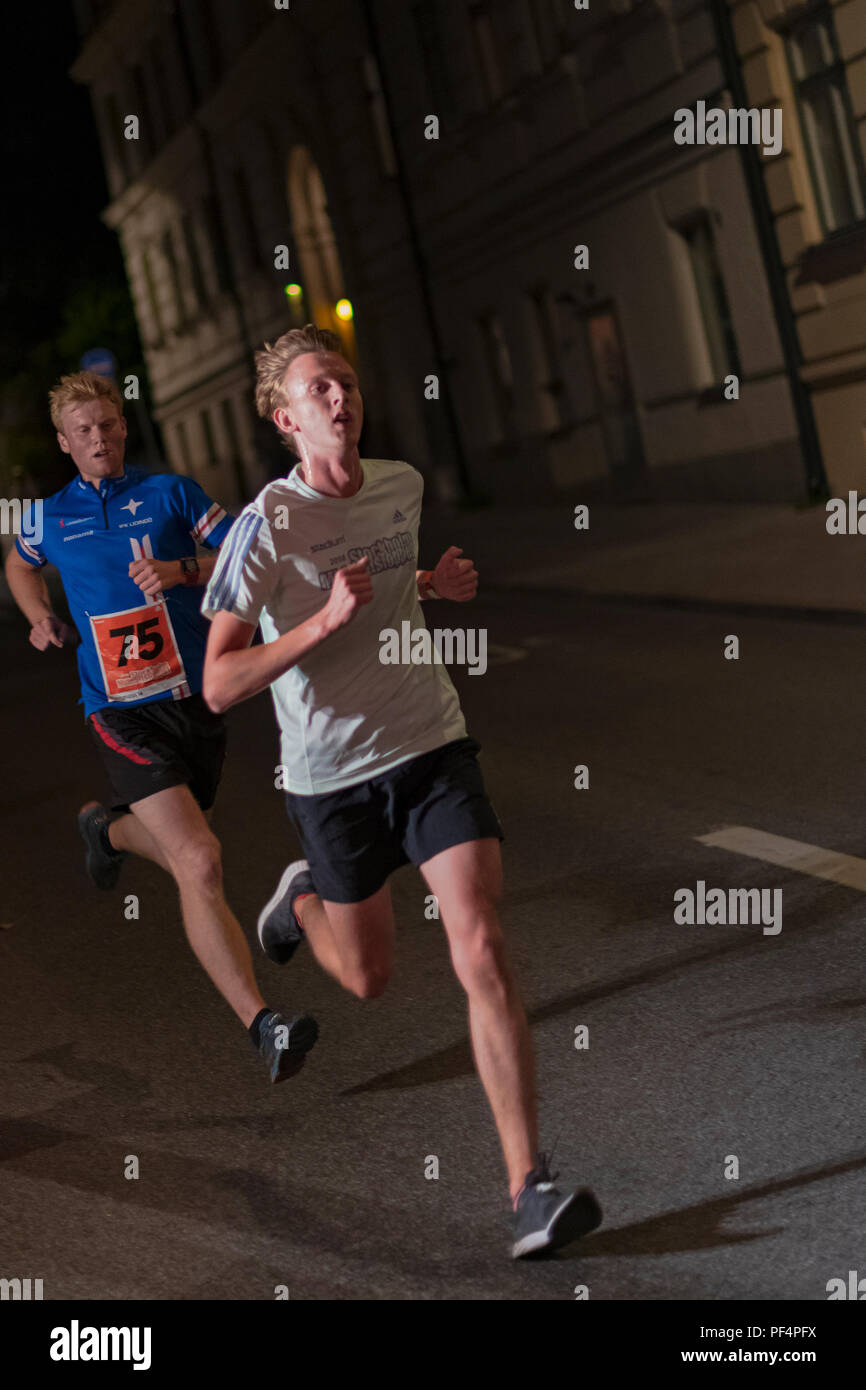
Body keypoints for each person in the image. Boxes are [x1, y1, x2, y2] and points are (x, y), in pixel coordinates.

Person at [201, 325, 602, 1257]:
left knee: (483, 946)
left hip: (430, 747)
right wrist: (321, 624)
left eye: (345, 380)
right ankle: (300, 902)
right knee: (373, 979)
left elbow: (382, 582)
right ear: (284, 418)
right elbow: (217, 682)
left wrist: (431, 583)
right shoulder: (264, 526)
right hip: (331, 781)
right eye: (318, 388)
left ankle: (527, 1188)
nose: (339, 397)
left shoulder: (400, 486)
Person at [4, 370, 316, 1083]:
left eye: (107, 425)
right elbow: (19, 568)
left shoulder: (171, 493)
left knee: (184, 845)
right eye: (82, 430)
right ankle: (263, 1024)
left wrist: (182, 570)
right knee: (199, 860)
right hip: (118, 711)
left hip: (197, 700)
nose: (98, 438)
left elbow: (248, 555)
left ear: (123, 426)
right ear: (64, 443)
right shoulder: (45, 517)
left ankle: (104, 832)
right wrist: (39, 616)